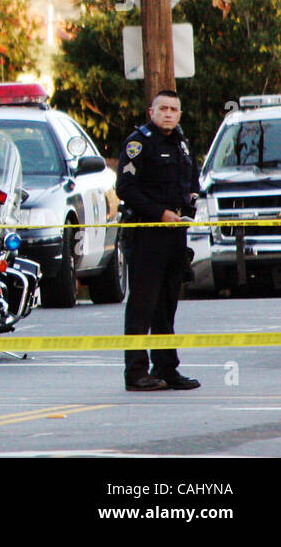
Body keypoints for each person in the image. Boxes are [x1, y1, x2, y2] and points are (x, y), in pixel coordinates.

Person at [116, 89, 201, 391]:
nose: (168, 113)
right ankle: (136, 372)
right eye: (162, 108)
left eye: (173, 109)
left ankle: (166, 368)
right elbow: (125, 188)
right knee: (142, 304)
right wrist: (160, 212)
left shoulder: (181, 143)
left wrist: (192, 197)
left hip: (176, 233)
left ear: (179, 114)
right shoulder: (139, 143)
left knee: (167, 304)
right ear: (151, 112)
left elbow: (192, 179)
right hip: (147, 232)